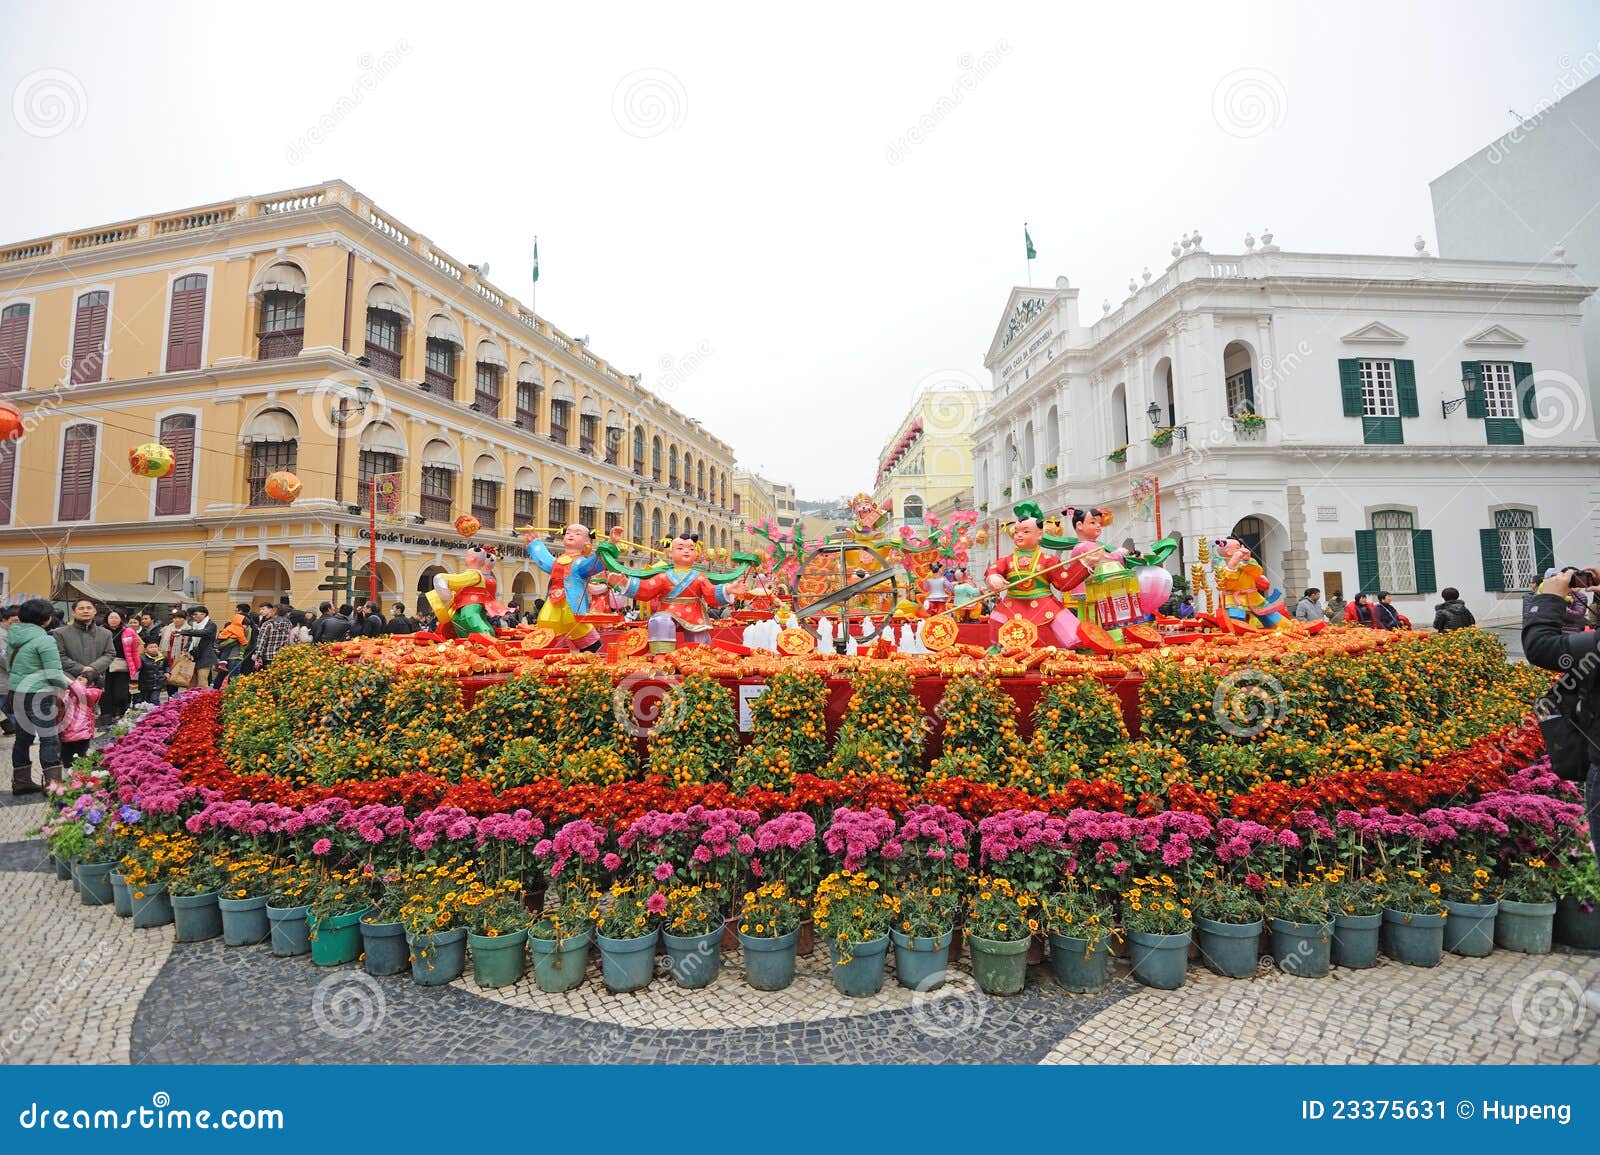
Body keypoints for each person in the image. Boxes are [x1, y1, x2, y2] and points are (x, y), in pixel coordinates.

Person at [11, 598, 70, 791]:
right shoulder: (45, 639)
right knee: (49, 737)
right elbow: (54, 673)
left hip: (17, 692)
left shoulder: (14, 635)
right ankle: (53, 784)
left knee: (23, 737)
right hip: (39, 694)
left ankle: (21, 781)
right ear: (46, 619)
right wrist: (67, 686)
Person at [54, 597, 115, 695]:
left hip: (95, 681)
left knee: (92, 709)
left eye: (89, 608)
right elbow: (59, 656)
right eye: (81, 608)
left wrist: (92, 668)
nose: (85, 611)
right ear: (73, 612)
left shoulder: (106, 633)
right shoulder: (60, 633)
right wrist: (81, 669)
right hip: (69, 680)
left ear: (95, 611)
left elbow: (109, 654)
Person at [101, 609, 142, 721]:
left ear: (121, 619)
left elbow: (134, 650)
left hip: (123, 665)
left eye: (116, 617)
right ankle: (109, 714)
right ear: (107, 619)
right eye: (111, 617)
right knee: (107, 691)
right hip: (105, 666)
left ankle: (121, 711)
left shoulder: (128, 632)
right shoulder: (101, 631)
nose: (113, 620)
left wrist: (137, 665)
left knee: (121, 691)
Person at [178, 605, 219, 689]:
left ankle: (203, 700)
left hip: (205, 656)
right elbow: (191, 640)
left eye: (196, 614)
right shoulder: (195, 625)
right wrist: (185, 649)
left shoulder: (211, 625)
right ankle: (190, 700)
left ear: (203, 614)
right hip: (193, 656)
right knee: (190, 683)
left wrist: (183, 631)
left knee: (202, 682)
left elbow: (202, 633)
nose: (194, 617)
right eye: (193, 615)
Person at [250, 603, 293, 670]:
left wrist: (257, 655)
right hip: (281, 655)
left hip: (267, 656)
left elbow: (261, 641)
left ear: (275, 611)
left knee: (265, 676)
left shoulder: (268, 624)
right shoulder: (289, 623)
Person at [136, 639, 166, 704]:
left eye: (155, 647)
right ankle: (147, 712)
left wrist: (167, 672)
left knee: (154, 699)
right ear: (145, 649)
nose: (154, 649)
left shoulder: (162, 657)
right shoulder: (142, 658)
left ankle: (157, 711)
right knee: (145, 700)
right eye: (151, 647)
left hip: (158, 682)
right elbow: (138, 668)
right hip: (145, 683)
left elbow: (167, 666)